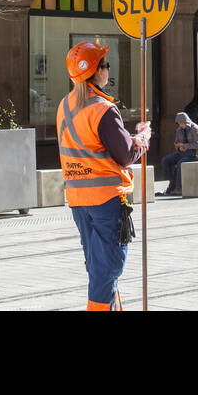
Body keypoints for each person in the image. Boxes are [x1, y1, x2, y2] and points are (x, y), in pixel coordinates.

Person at [57, 42, 151, 311]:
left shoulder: (65, 106)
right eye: (105, 65)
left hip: (78, 199)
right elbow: (126, 155)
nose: (108, 69)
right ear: (96, 72)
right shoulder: (102, 109)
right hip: (106, 201)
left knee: (99, 269)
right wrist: (143, 138)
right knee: (106, 270)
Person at [159, 112, 198, 196]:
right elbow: (176, 142)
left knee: (181, 163)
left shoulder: (195, 129)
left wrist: (185, 146)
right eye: (179, 123)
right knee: (166, 160)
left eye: (181, 123)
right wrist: (178, 147)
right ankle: (171, 182)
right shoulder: (179, 130)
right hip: (182, 152)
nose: (180, 125)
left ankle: (178, 187)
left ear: (186, 121)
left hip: (194, 153)